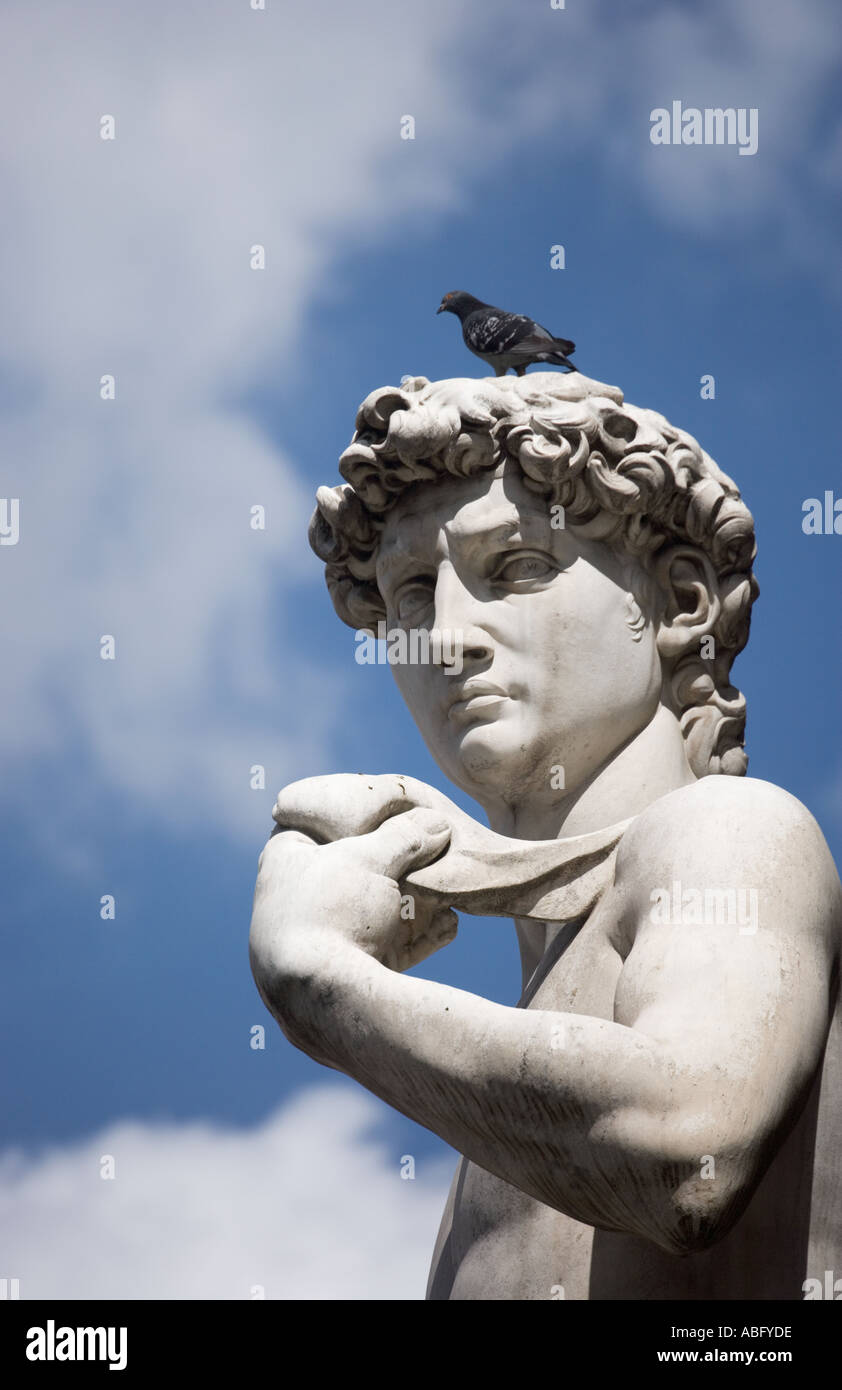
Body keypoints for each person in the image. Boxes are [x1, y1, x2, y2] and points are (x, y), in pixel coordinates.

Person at [250, 373, 842, 1300]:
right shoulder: (514, 1089)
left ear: (680, 603)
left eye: (518, 568)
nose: (447, 637)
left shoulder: (730, 831)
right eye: (413, 594)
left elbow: (691, 1153)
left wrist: (324, 983)